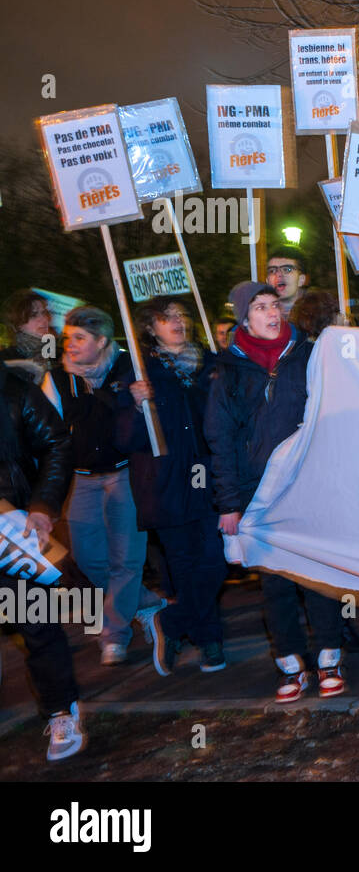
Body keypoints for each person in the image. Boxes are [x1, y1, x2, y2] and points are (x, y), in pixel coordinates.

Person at [205, 281, 343, 702]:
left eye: (275, 305)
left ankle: (329, 659)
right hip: (257, 493)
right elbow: (220, 440)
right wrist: (228, 503)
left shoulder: (308, 355)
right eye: (261, 307)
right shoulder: (227, 371)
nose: (272, 313)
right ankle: (290, 664)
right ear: (245, 318)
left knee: (316, 576)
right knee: (276, 584)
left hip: (306, 483)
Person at [114, 297, 227, 676]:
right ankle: (209, 638)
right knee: (184, 563)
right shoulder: (138, 370)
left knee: (215, 558)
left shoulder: (212, 364)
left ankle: (173, 622)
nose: (177, 322)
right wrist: (134, 403)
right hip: (165, 481)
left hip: (208, 475)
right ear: (150, 327)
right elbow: (123, 439)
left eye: (182, 315)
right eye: (167, 317)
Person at [45, 306, 162, 666]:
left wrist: (143, 400)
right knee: (87, 558)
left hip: (126, 473)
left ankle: (114, 635)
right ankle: (144, 601)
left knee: (125, 558)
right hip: (81, 479)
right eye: (68, 338)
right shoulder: (57, 379)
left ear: (101, 341)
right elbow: (48, 433)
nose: (71, 345)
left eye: (80, 338)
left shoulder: (129, 369)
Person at [0, 358, 81, 759]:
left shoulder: (14, 390)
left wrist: (41, 504)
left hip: (12, 528)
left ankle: (60, 710)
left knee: (34, 622)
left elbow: (56, 443)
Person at [1, 289, 57, 372]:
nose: (44, 319)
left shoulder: (58, 357)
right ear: (18, 325)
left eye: (44, 313)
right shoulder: (6, 360)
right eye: (33, 315)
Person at [265, 244, 310, 318]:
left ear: (301, 280)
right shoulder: (257, 316)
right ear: (267, 280)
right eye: (272, 271)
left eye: (287, 270)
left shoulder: (318, 315)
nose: (278, 275)